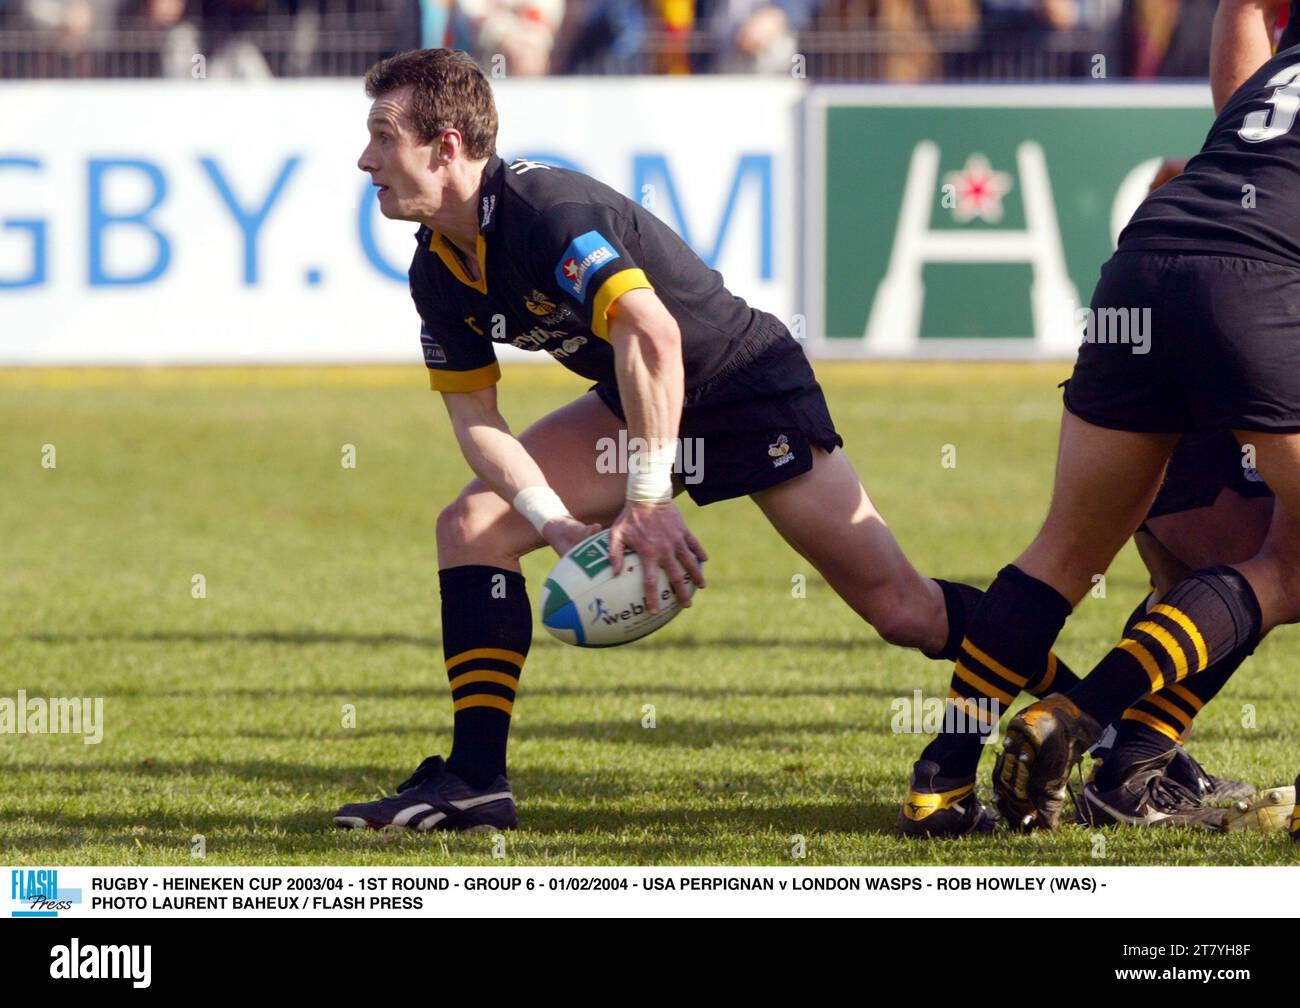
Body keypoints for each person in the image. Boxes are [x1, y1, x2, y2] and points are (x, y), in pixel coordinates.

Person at [331, 47, 1068, 833]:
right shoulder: (437, 270)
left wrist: (646, 498)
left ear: (445, 146)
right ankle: (474, 781)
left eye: (383, 134)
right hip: (640, 399)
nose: (366, 158)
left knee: (902, 611)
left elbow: (652, 331)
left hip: (745, 388)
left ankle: (1091, 712)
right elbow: (477, 420)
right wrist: (553, 523)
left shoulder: (543, 211)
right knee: (472, 526)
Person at [977, 0, 1300, 831]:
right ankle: (1092, 723)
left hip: (1150, 271)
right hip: (1255, 302)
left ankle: (959, 772)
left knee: (1074, 551)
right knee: (1280, 564)